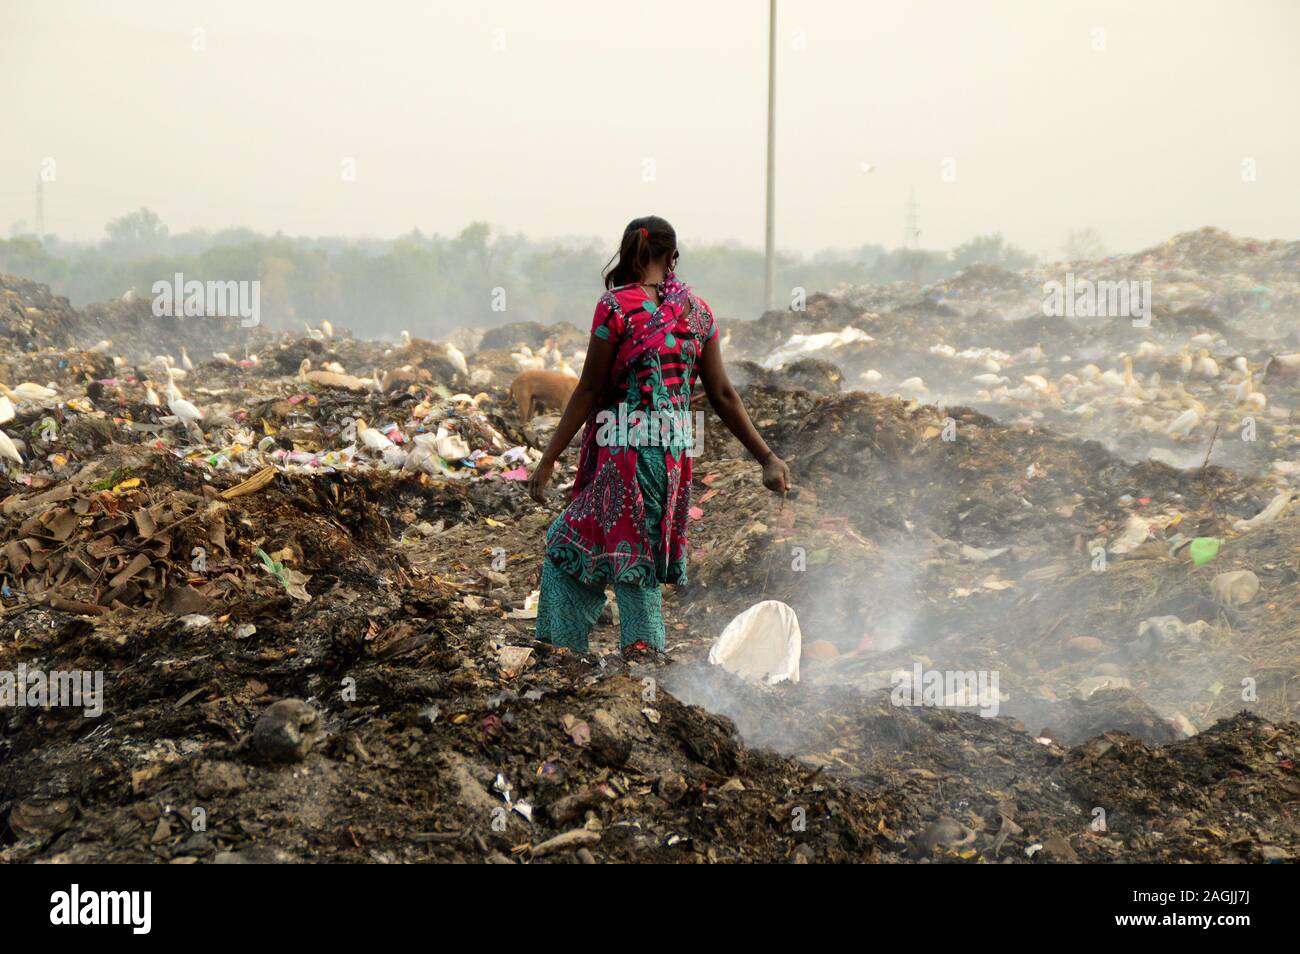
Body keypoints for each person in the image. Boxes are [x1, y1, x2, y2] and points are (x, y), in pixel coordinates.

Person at [528, 215, 790, 655]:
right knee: (597, 550)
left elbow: (589, 389)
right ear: (673, 257)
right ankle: (602, 658)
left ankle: (616, 657)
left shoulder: (614, 308)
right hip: (671, 458)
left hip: (624, 455)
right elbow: (723, 394)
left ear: (630, 251)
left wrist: (549, 457)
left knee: (601, 556)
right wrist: (767, 456)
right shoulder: (698, 313)